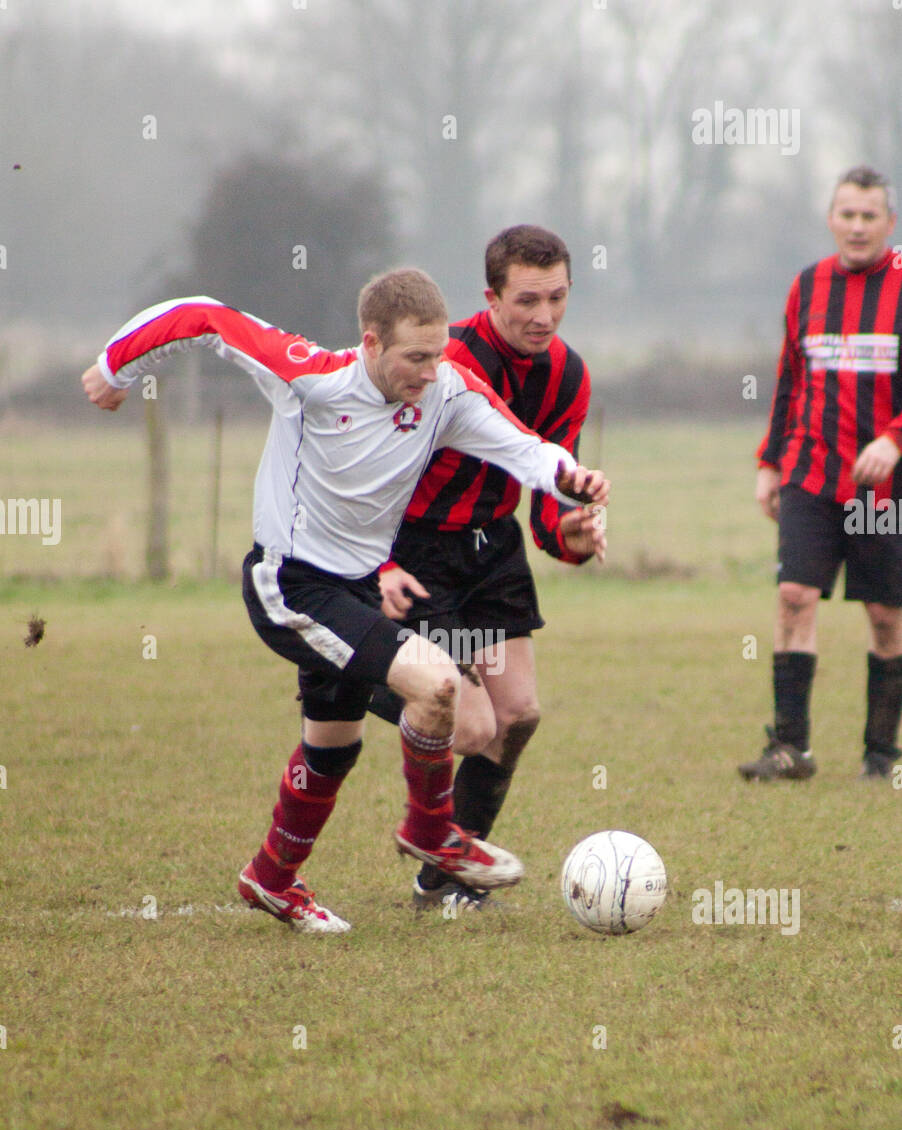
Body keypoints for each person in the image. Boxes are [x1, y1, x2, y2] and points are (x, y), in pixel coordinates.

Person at [81, 270, 610, 932]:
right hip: (291, 583)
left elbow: (527, 452)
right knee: (438, 682)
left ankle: (271, 878)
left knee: (334, 745)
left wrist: (572, 480)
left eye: (438, 353)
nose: (429, 371)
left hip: (357, 590)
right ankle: (432, 831)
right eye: (414, 357)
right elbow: (205, 315)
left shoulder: (446, 392)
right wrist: (115, 365)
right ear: (370, 343)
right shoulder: (314, 378)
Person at [367, 226, 606, 912]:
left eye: (558, 298)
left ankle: (446, 881)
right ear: (491, 296)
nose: (544, 316)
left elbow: (548, 505)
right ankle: (350, 669)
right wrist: (375, 563)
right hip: (416, 549)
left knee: (519, 715)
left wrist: (575, 536)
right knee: (468, 728)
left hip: (492, 548)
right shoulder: (442, 358)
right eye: (527, 300)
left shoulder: (567, 373)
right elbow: (369, 470)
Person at [739, 166, 902, 783]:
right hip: (810, 474)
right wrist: (770, 462)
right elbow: (789, 379)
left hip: (886, 491)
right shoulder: (807, 285)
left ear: (889, 223)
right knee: (793, 597)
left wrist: (893, 438)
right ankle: (790, 749)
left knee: (887, 615)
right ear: (831, 218)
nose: (857, 227)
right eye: (847, 214)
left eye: (870, 216)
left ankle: (881, 756)